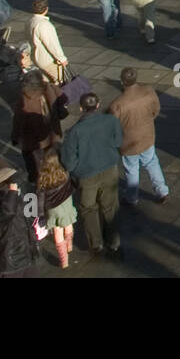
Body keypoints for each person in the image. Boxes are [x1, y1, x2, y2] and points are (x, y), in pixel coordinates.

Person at [61, 93, 124, 260]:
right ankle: (114, 242)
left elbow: (68, 161)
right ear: (98, 105)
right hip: (110, 169)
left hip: (86, 175)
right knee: (110, 207)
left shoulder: (75, 131)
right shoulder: (111, 121)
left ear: (81, 108)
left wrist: (76, 171)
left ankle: (96, 244)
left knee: (89, 209)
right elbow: (118, 142)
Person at [109, 68, 170, 206]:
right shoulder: (148, 91)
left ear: (122, 82)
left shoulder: (117, 104)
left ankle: (132, 197)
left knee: (131, 170)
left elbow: (113, 126)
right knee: (152, 162)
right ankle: (162, 191)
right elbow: (156, 109)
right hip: (147, 136)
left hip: (128, 143)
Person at [0, 168, 40, 278]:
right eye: (15, 183)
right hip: (9, 263)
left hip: (27, 257)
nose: (19, 186)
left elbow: (31, 220)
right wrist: (12, 192)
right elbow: (8, 211)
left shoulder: (21, 198)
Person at [10, 70, 65, 182]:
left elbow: (18, 122)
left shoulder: (24, 100)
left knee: (34, 165)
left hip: (34, 140)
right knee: (53, 159)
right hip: (52, 133)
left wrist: (15, 137)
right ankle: (56, 178)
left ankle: (38, 182)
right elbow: (64, 98)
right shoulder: (49, 87)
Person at [36, 149, 77, 269]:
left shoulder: (43, 179)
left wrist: (40, 214)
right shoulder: (64, 172)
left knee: (58, 232)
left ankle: (64, 260)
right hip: (67, 203)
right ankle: (69, 245)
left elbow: (40, 199)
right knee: (68, 224)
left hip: (53, 209)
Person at [28, 0, 67, 86]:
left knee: (46, 84)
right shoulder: (44, 25)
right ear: (46, 9)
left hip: (36, 58)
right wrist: (61, 58)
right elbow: (51, 44)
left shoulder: (30, 21)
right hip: (48, 60)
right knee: (59, 83)